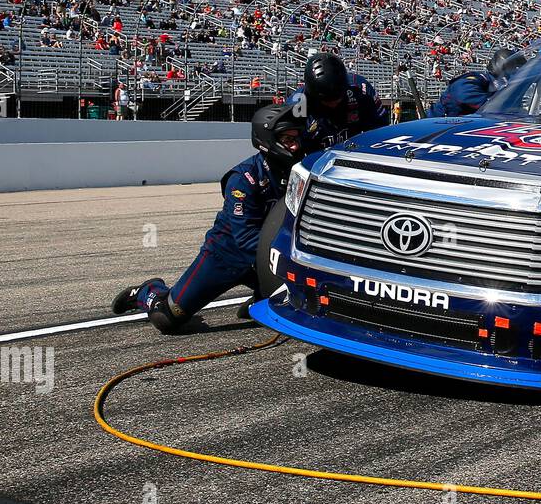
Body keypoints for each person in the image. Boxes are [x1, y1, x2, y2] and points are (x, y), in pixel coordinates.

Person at [112, 104, 308, 333]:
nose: (295, 145)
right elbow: (245, 238)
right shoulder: (243, 179)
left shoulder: (298, 171)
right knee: (167, 318)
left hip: (265, 258)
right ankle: (148, 291)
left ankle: (259, 300)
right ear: (266, 139)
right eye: (287, 139)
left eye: (296, 138)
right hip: (225, 256)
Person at [287, 51, 389, 150]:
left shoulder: (361, 89)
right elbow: (289, 148)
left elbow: (381, 130)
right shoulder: (297, 105)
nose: (333, 104)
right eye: (327, 101)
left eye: (337, 98)